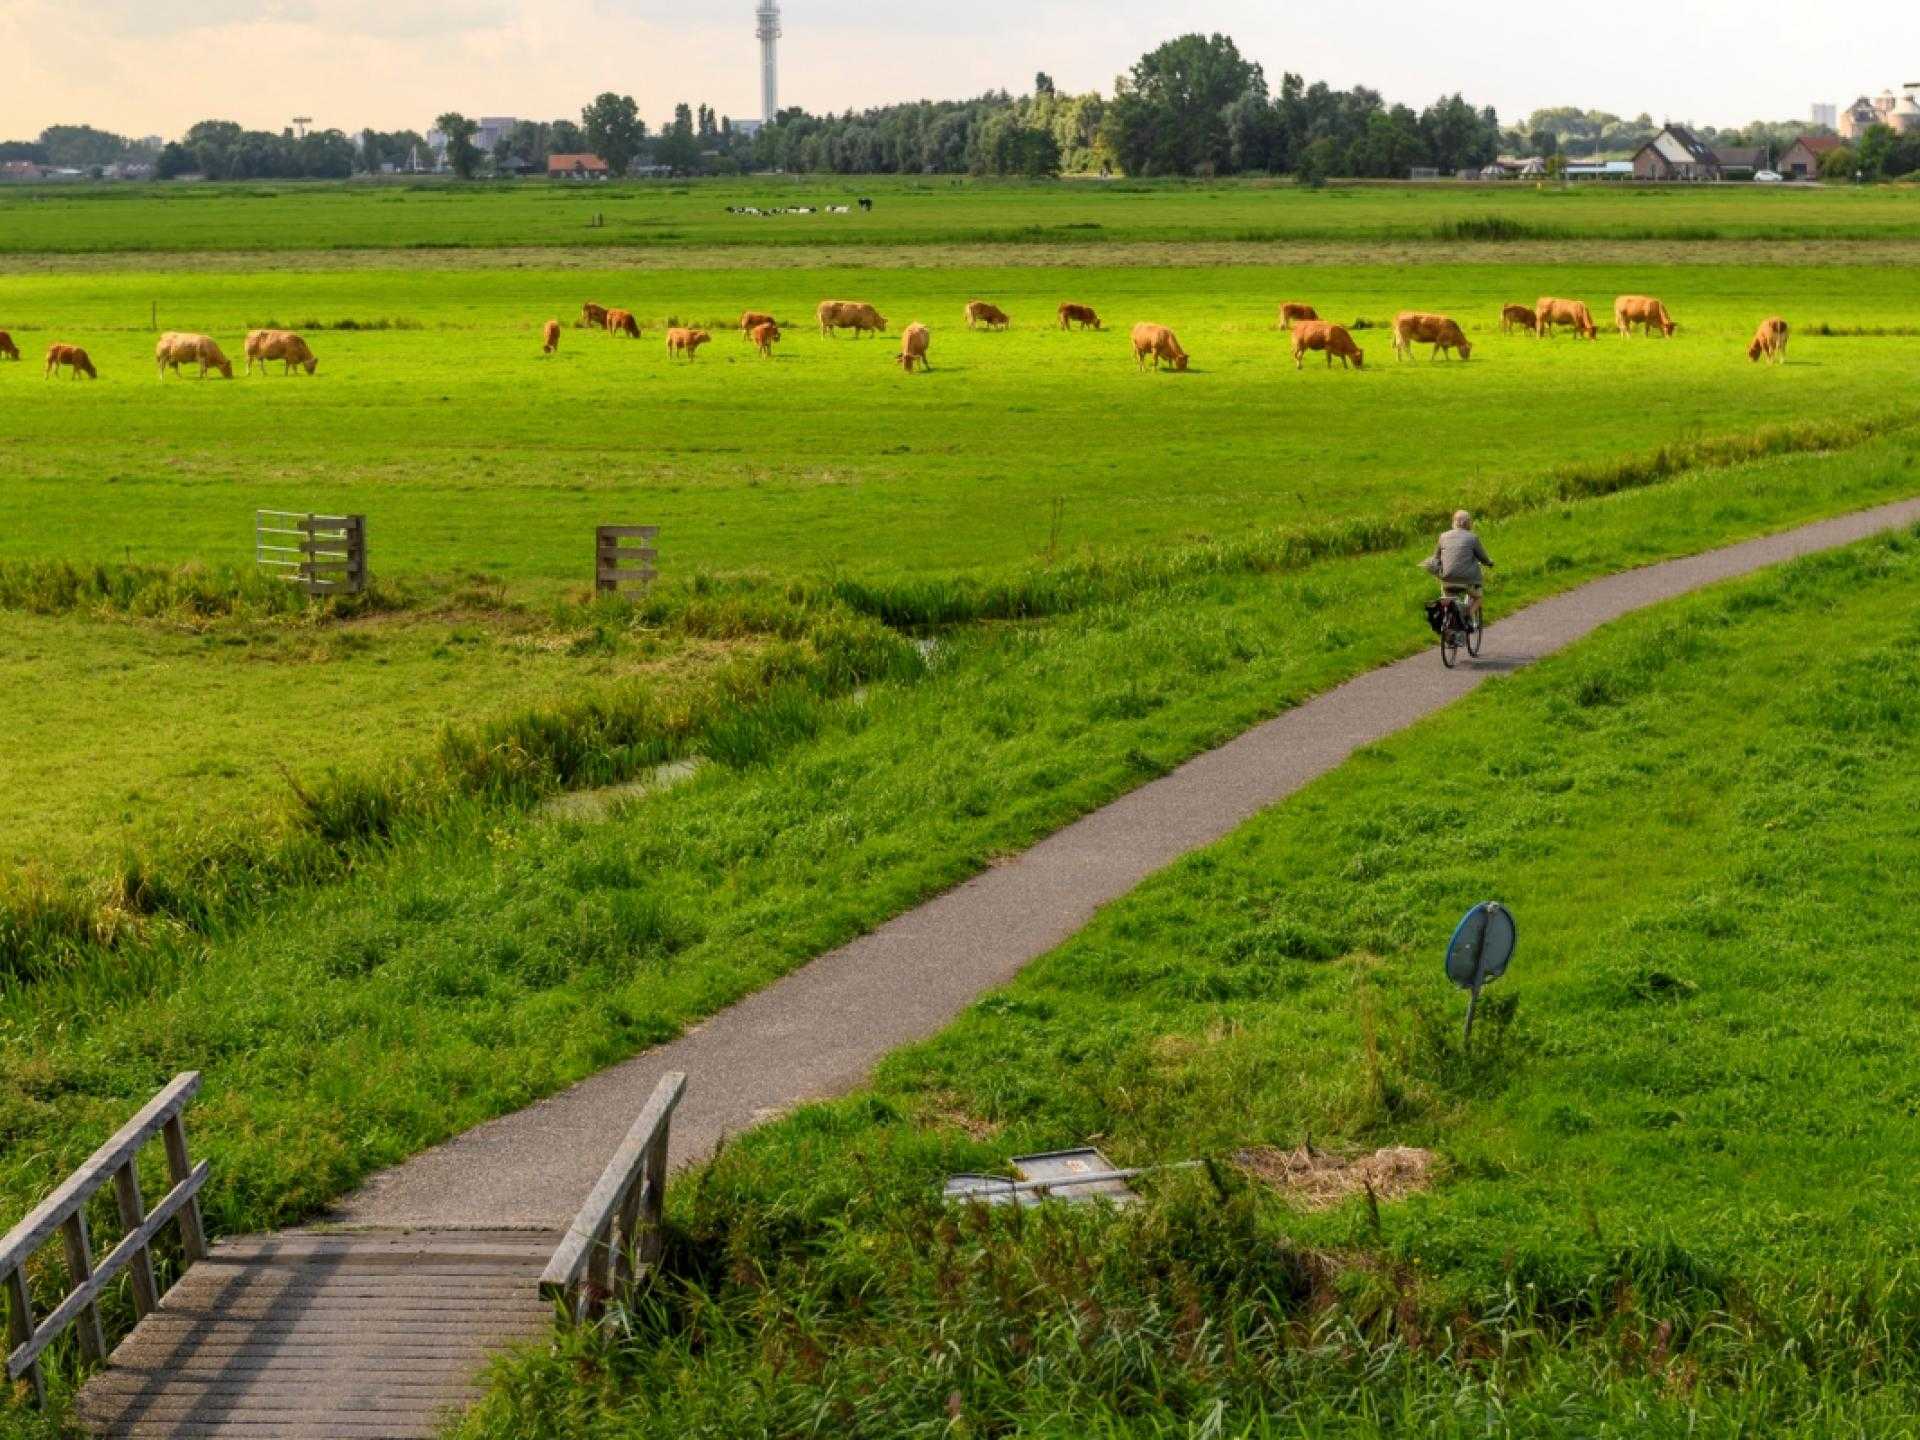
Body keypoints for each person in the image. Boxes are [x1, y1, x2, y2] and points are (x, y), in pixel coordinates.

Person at [1424, 511, 1493, 630]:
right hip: (1467, 581)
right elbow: (1483, 558)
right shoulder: (1473, 538)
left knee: (1447, 597)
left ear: (1453, 522)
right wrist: (1489, 562)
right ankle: (1468, 615)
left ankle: (1446, 620)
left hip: (1447, 579)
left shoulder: (1443, 536)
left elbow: (1436, 558)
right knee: (1478, 597)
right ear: (1469, 523)